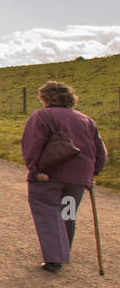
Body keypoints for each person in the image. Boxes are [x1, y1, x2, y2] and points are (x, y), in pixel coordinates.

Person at [20, 80, 108, 272]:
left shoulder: (41, 116)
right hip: (78, 179)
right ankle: (62, 250)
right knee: (67, 214)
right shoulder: (87, 120)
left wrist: (34, 171)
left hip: (50, 175)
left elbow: (32, 145)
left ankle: (54, 258)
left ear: (45, 98)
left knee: (48, 212)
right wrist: (93, 173)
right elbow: (101, 152)